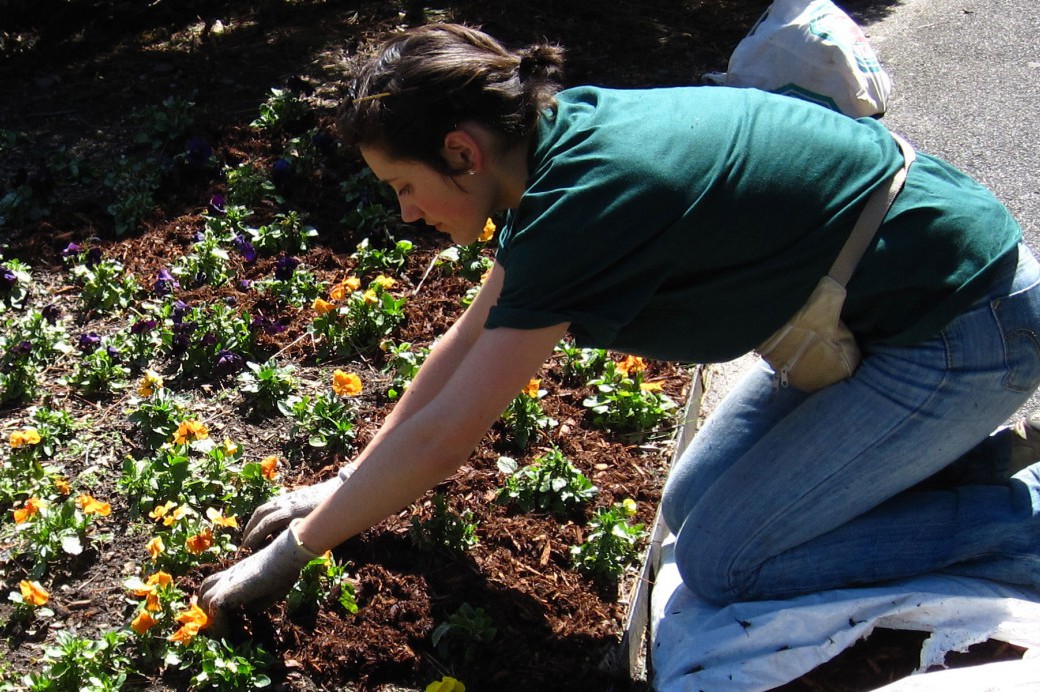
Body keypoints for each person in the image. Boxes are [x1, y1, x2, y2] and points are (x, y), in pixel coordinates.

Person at [200, 22, 1040, 622]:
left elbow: (446, 438)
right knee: (692, 501)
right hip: (910, 297)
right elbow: (463, 344)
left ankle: (1019, 526)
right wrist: (342, 488)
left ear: (462, 151)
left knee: (728, 563)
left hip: (965, 324)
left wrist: (294, 552)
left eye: (403, 185)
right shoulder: (555, 144)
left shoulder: (580, 201)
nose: (408, 213)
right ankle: (950, 465)